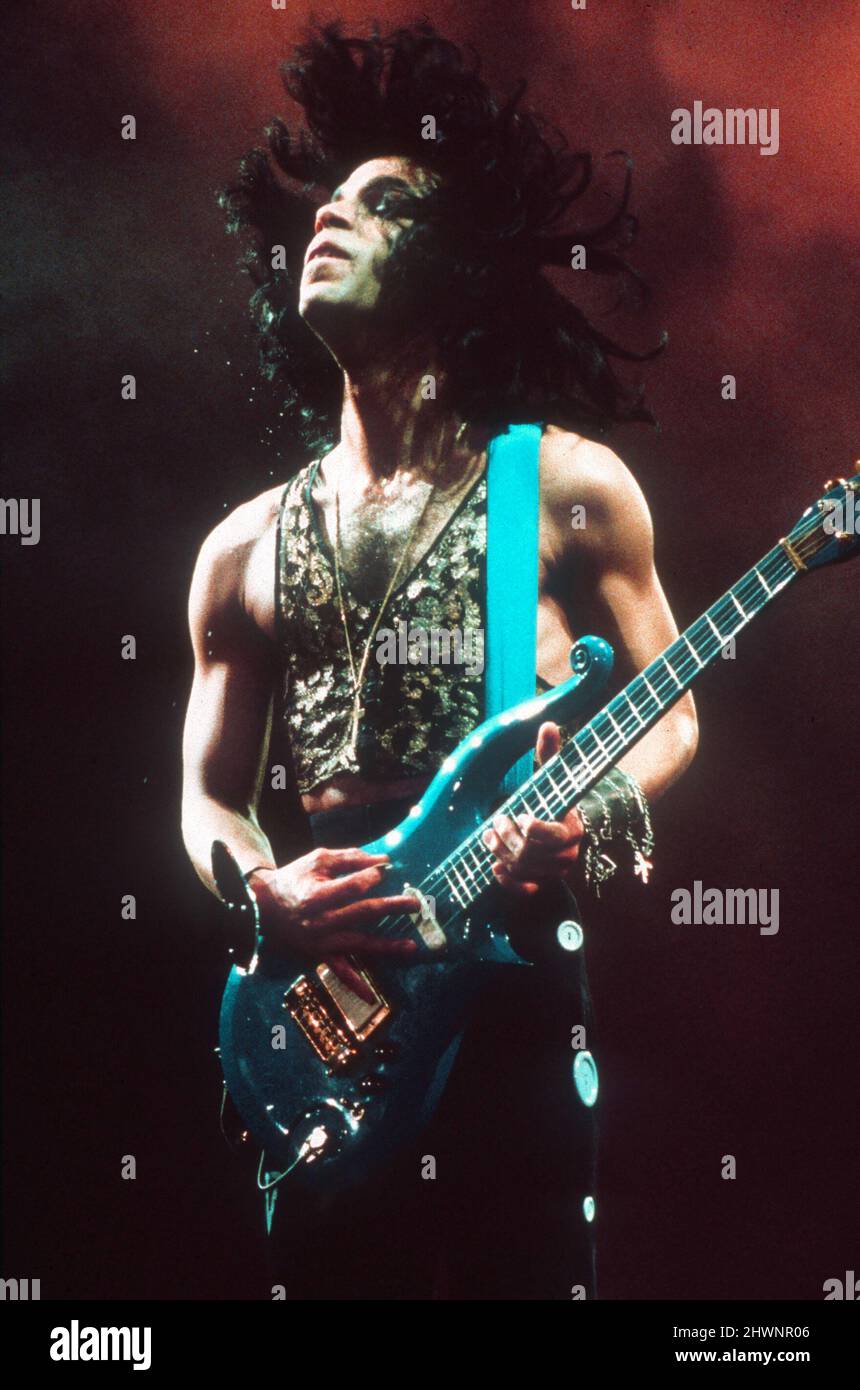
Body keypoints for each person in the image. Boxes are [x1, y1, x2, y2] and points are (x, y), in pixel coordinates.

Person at [181, 21, 698, 1300]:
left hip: (505, 1002)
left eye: (381, 203)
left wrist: (591, 807)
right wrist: (261, 896)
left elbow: (668, 704)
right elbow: (205, 793)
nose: (330, 219)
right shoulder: (239, 547)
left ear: (459, 269)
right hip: (323, 1025)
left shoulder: (564, 489)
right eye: (324, 201)